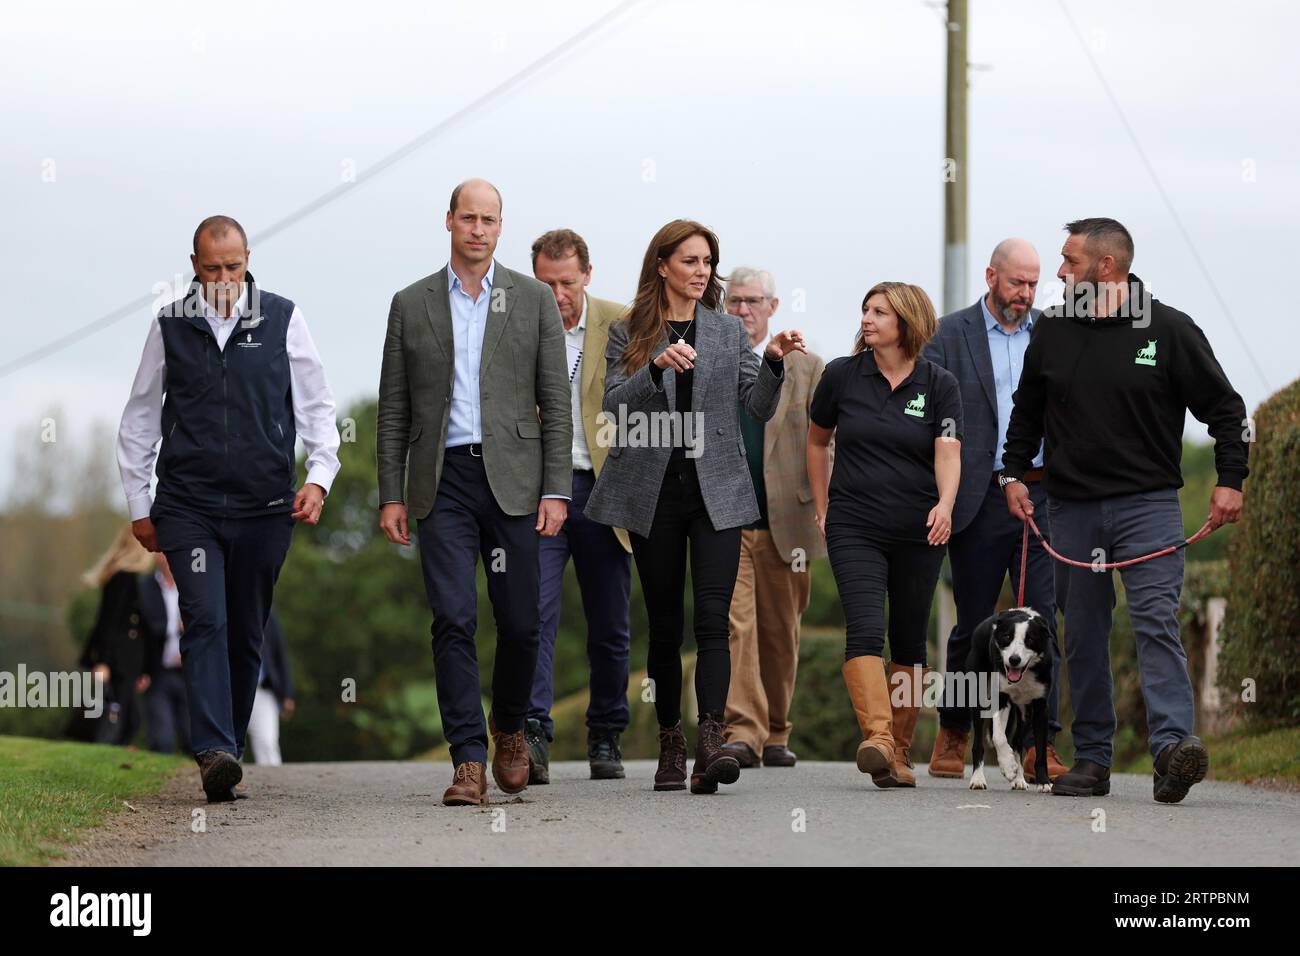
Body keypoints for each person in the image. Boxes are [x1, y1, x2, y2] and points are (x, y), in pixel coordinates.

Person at [1001, 218, 1248, 803]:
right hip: (1072, 508)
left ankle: (1170, 750)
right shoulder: (1053, 331)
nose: (1058, 273)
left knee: (1155, 622)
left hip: (1148, 507)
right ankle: (1093, 759)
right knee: (1082, 633)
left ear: (1106, 268)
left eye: (1068, 261)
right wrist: (1011, 473)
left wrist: (1230, 480)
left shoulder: (1168, 329)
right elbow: (1026, 412)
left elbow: (1226, 408)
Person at [117, 215, 341, 802]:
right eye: (212, 267)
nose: (223, 278)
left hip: (266, 506)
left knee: (247, 628)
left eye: (233, 266)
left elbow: (317, 405)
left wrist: (319, 477)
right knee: (207, 619)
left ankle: (228, 747)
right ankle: (213, 748)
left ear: (248, 260)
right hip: (188, 505)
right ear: (194, 266)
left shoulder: (283, 318)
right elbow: (140, 418)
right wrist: (141, 504)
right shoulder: (170, 326)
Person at [585, 219, 804, 795]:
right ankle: (670, 744)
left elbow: (756, 406)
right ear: (662, 266)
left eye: (708, 261)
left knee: (713, 622)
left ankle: (712, 740)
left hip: (718, 492)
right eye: (690, 260)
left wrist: (775, 361)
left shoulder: (728, 332)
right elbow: (612, 406)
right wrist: (655, 368)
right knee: (664, 627)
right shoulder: (629, 330)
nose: (701, 271)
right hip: (653, 492)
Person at [376, 179, 572, 807]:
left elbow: (557, 400)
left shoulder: (535, 297)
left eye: (489, 219)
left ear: (500, 226)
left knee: (520, 623)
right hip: (443, 482)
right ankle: (467, 760)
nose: (479, 229)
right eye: (469, 218)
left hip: (514, 481)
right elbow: (393, 409)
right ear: (450, 222)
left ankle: (510, 727)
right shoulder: (411, 303)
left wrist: (556, 488)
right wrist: (391, 493)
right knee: (453, 619)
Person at [922, 239, 1067, 781]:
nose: (1025, 294)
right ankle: (955, 730)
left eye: (1033, 285)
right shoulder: (947, 333)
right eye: (1015, 283)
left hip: (1040, 493)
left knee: (1043, 625)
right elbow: (930, 412)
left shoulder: (1053, 334)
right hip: (978, 495)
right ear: (990, 276)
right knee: (975, 625)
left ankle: (1040, 744)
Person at [808, 282, 962, 788]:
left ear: (908, 322)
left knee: (910, 638)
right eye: (866, 310)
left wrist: (945, 503)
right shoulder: (841, 376)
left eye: (881, 312)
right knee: (866, 627)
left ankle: (897, 753)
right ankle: (877, 736)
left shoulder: (939, 384)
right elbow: (817, 440)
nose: (868, 319)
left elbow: (948, 451)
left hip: (919, 529)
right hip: (855, 524)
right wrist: (825, 503)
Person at [527, 228, 633, 783]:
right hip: (543, 489)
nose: (557, 294)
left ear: (586, 275)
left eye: (566, 282)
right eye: (546, 282)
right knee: (535, 616)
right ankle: (534, 734)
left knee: (610, 622)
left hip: (604, 487)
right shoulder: (519, 319)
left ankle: (606, 736)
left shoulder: (622, 320)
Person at [718, 266, 825, 769]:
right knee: (735, 627)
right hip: (729, 519)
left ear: (773, 306)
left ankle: (777, 730)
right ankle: (742, 731)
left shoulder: (808, 368)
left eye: (753, 301)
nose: (743, 310)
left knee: (781, 633)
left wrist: (828, 509)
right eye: (734, 301)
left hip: (789, 524)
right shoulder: (714, 361)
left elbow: (826, 445)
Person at [73, 526, 157, 747]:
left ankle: (116, 750)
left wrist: (145, 667)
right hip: (119, 660)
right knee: (120, 716)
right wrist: (102, 661)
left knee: (127, 717)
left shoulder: (129, 577)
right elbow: (108, 622)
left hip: (128, 661)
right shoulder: (124, 577)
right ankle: (110, 749)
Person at [138, 553, 191, 754]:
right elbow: (142, 631)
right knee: (162, 738)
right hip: (158, 672)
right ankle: (161, 783)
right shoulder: (145, 587)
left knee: (192, 737)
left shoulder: (193, 586)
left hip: (189, 673)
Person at [246, 610, 294, 765]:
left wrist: (287, 693)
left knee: (267, 742)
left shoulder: (267, 612)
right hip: (229, 691)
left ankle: (274, 786)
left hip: (263, 690)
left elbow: (280, 654)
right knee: (228, 746)